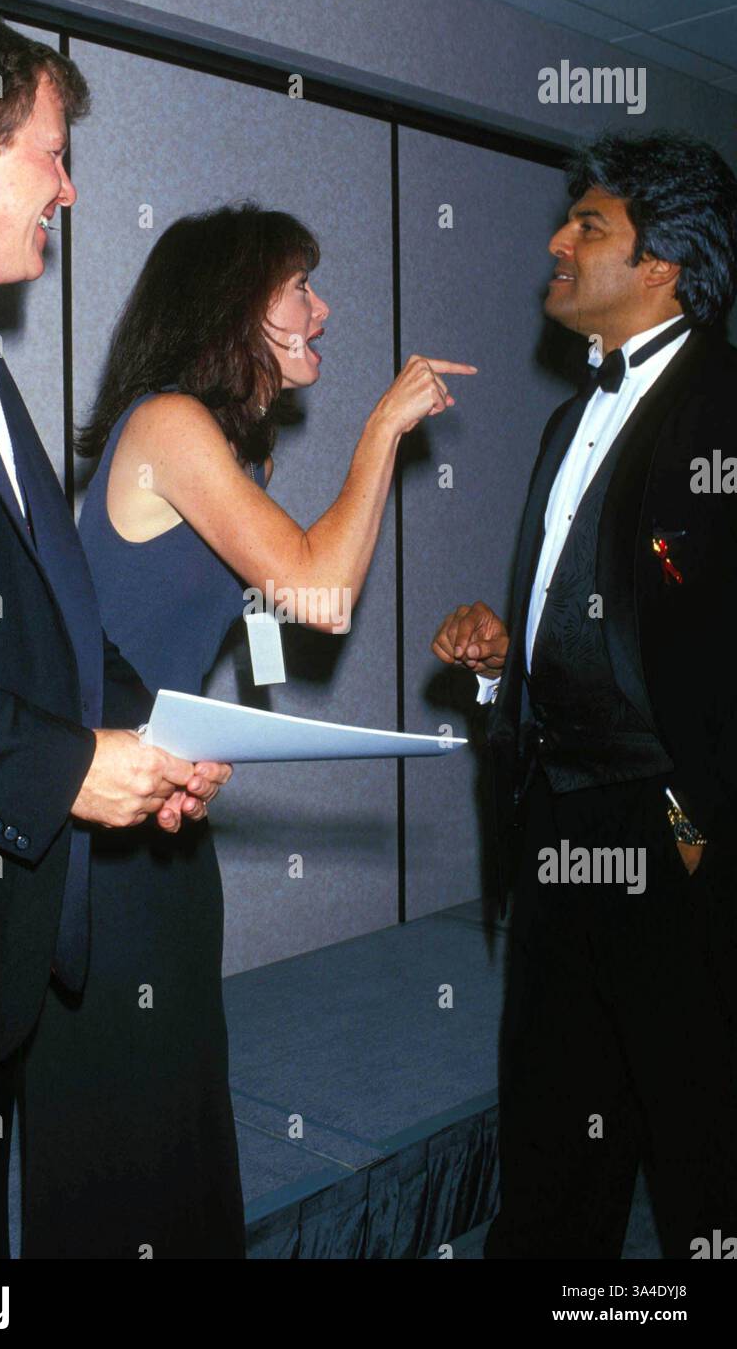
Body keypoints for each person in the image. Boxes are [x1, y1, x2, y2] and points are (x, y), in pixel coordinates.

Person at [19, 201, 477, 1257]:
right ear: (234, 304)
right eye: (299, 286)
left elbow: (281, 614)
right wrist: (382, 428)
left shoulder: (237, 452)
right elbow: (320, 590)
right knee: (119, 1124)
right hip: (97, 825)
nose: (324, 307)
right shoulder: (168, 422)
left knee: (179, 1108)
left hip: (164, 810)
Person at [0, 0, 230, 1260]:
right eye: (52, 154)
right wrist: (70, 768)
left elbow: (48, 616)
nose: (67, 191)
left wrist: (151, 739)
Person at [432, 130, 737, 1259]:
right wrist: (502, 661)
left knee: (705, 1167)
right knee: (555, 1152)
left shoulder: (727, 405)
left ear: (660, 264)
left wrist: (704, 824)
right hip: (553, 824)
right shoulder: (568, 420)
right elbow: (617, 616)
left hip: (673, 837)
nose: (557, 243)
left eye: (589, 227)